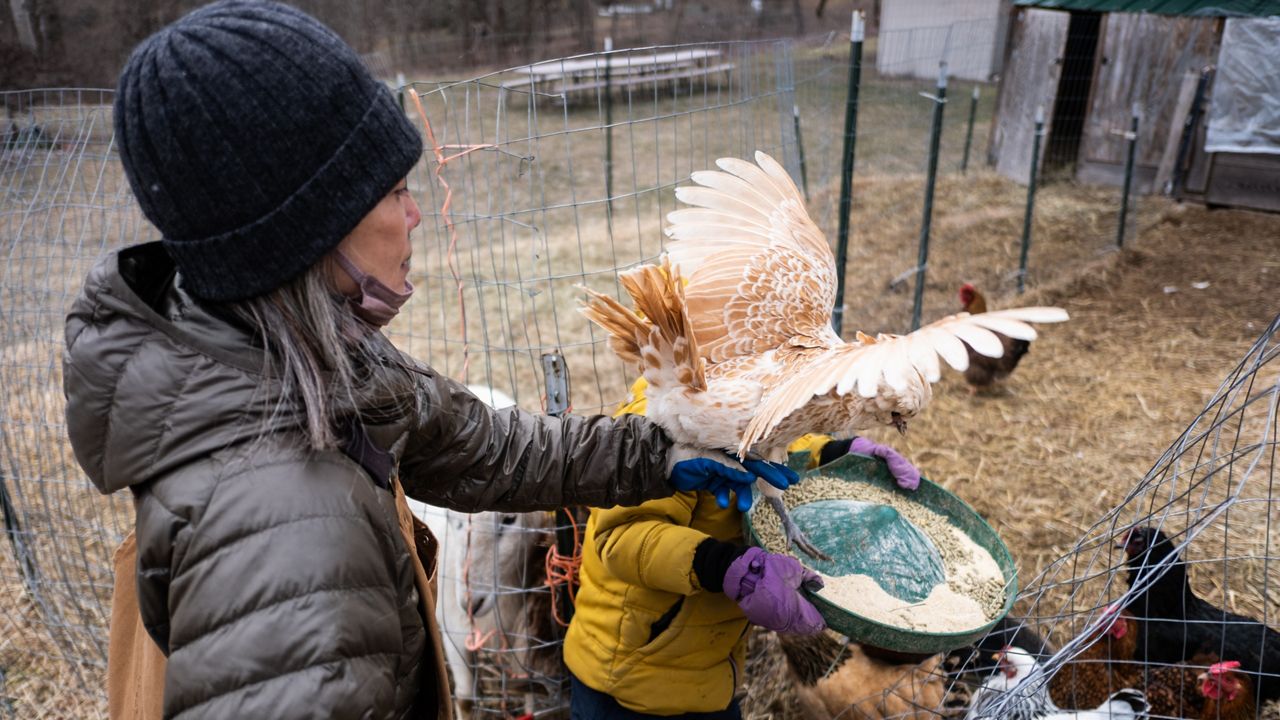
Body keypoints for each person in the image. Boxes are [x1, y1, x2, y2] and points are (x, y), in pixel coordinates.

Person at [63, 3, 795, 718]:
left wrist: (657, 452)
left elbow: (486, 447)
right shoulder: (292, 529)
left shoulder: (299, 358)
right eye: (395, 191)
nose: (415, 215)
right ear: (304, 231)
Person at [562, 378, 922, 719]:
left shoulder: (743, 388)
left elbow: (772, 444)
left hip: (710, 671)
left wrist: (837, 452)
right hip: (633, 676)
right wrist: (725, 566)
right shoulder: (660, 416)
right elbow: (623, 539)